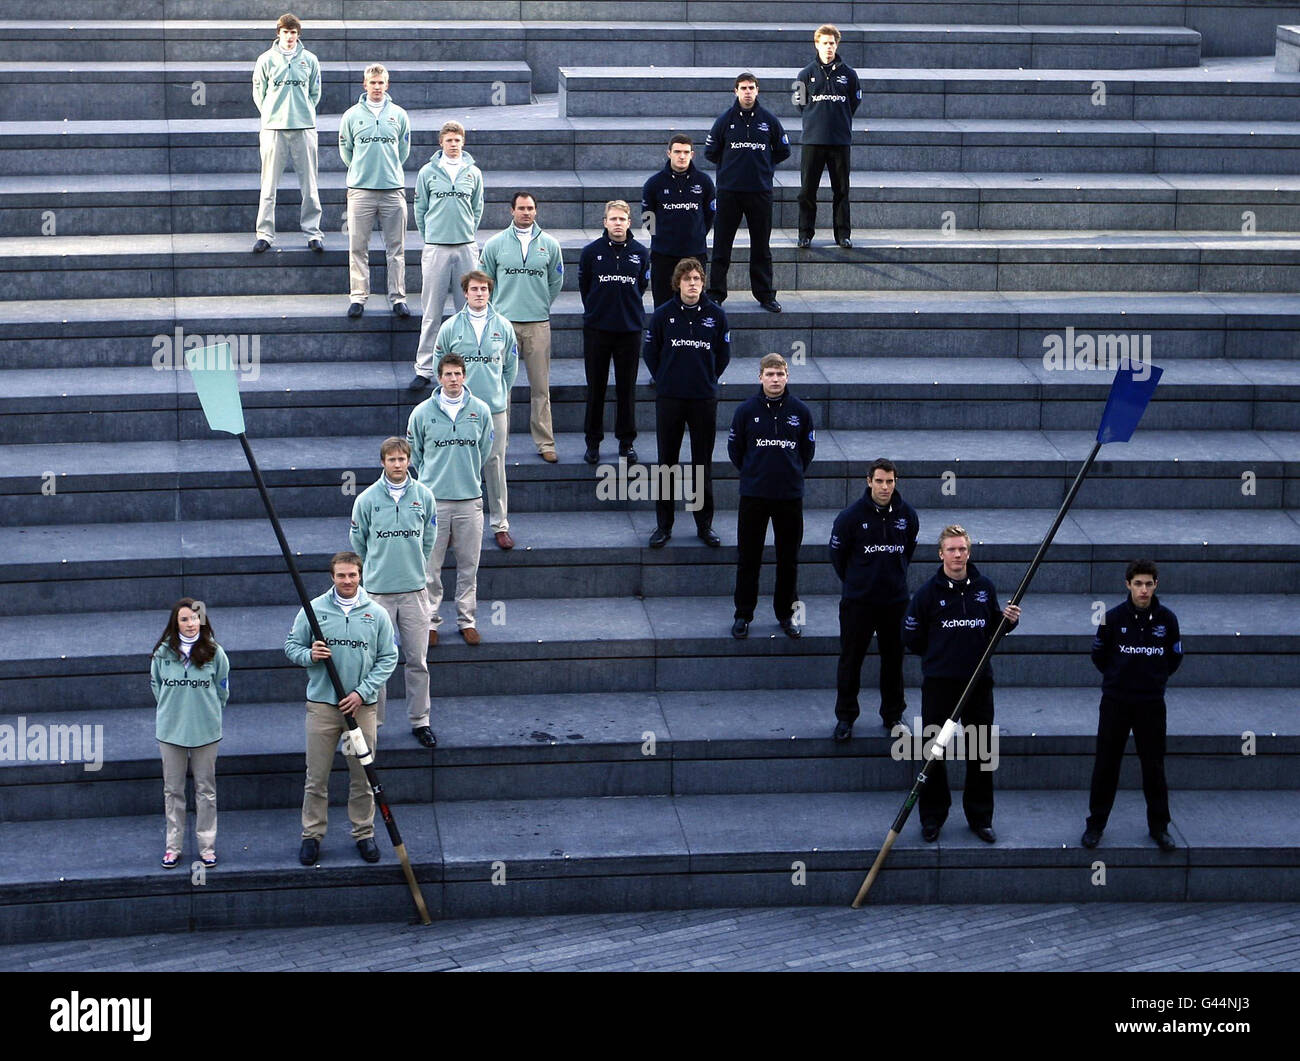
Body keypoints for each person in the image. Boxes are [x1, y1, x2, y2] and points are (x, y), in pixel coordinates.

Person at [902, 525, 1020, 844]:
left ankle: (980, 817)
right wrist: (941, 656)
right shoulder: (927, 594)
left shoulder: (985, 588)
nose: (958, 555)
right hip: (940, 684)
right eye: (952, 549)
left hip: (979, 682)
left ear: (969, 552)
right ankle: (932, 817)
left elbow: (991, 630)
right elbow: (911, 637)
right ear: (941, 554)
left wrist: (1007, 622)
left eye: (963, 549)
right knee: (933, 751)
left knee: (981, 750)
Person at [285, 552, 397, 865]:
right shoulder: (314, 610)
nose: (347, 581)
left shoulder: (376, 614)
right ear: (332, 577)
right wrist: (310, 654)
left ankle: (363, 833)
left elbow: (388, 657)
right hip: (322, 707)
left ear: (361, 576)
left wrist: (362, 693)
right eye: (341, 576)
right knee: (316, 777)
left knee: (362, 776)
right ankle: (312, 835)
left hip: (360, 710)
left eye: (352, 575)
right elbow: (291, 646)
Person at [1082, 560, 1184, 852]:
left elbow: (1174, 658)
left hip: (1151, 704)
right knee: (1106, 765)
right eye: (1138, 583)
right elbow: (1099, 657)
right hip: (1116, 702)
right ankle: (1096, 825)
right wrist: (1119, 680)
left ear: (1156, 585)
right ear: (1128, 584)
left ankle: (1159, 827)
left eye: (1149, 584)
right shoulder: (1111, 619)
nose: (1143, 590)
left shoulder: (1168, 620)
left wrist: (1153, 680)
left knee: (1153, 766)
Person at [349, 437, 438, 748]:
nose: (398, 464)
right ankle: (375, 722)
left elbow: (430, 538)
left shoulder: (425, 496)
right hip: (378, 594)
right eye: (392, 460)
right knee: (377, 663)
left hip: (414, 591)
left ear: (409, 460)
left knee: (418, 660)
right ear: (382, 463)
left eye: (402, 459)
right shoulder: (366, 500)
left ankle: (420, 721)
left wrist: (414, 567)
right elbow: (358, 544)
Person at [407, 353, 495, 645]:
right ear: (439, 377)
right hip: (434, 502)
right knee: (430, 567)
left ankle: (466, 620)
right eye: (448, 374)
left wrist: (465, 475)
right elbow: (415, 453)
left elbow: (484, 450)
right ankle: (430, 622)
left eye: (458, 374)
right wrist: (433, 481)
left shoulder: (480, 411)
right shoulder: (421, 412)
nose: (453, 379)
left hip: (470, 499)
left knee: (469, 566)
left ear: (465, 376)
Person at [829, 458, 919, 740]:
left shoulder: (908, 516)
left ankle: (893, 716)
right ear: (869, 481)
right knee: (851, 660)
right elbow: (837, 557)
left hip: (895, 602)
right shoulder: (849, 517)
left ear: (896, 482)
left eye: (889, 481)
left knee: (893, 660)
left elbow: (908, 551)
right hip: (859, 602)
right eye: (879, 481)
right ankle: (845, 717)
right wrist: (858, 583)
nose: (884, 487)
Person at [642, 257, 729, 548]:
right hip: (670, 398)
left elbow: (723, 356)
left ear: (703, 283)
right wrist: (666, 380)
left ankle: (704, 525)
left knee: (701, 464)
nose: (693, 284)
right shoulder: (663, 314)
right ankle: (664, 526)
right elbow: (651, 354)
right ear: (677, 282)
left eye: (697, 279)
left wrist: (705, 379)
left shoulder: (716, 315)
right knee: (667, 461)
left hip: (703, 399)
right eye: (687, 279)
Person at [727, 353, 815, 639]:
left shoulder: (800, 412)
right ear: (760, 377)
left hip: (789, 496)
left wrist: (789, 473)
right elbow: (736, 451)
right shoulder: (745, 411)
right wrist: (755, 474)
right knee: (748, 557)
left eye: (780, 374)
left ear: (787, 376)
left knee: (788, 559)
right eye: (770, 374)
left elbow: (806, 452)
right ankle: (743, 614)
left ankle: (786, 615)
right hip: (754, 495)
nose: (775, 379)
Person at [431, 271, 518, 549]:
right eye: (474, 289)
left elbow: (510, 368)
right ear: (465, 293)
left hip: (494, 409)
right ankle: (455, 527)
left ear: (489, 293)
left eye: (484, 289)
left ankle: (500, 524)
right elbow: (438, 362)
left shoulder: (503, 326)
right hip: (460, 409)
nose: (480, 293)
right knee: (460, 464)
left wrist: (498, 395)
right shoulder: (451, 327)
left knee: (495, 465)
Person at [479, 192, 564, 462]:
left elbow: (555, 282)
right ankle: (497, 443)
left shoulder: (550, 245)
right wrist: (499, 311)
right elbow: (485, 281)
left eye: (530, 208)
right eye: (521, 208)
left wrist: (539, 304)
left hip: (538, 323)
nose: (526, 213)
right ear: (511, 211)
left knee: (540, 387)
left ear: (536, 211)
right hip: (504, 325)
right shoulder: (495, 244)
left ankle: (545, 443)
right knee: (501, 386)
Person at [151, 598, 229, 869]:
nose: (190, 623)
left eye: (194, 618)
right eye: (184, 619)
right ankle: (173, 847)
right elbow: (156, 685)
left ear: (202, 621)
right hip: (170, 732)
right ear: (176, 623)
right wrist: (173, 710)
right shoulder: (162, 654)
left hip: (205, 732)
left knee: (205, 791)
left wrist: (206, 712)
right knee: (173, 791)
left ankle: (207, 847)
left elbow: (222, 688)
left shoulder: (215, 652)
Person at [704, 72, 790, 313]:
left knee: (761, 247)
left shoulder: (769, 120)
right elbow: (710, 152)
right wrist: (732, 166)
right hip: (729, 192)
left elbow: (784, 150)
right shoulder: (725, 120)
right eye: (743, 88)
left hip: (760, 192)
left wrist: (763, 165)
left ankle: (765, 295)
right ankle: (717, 293)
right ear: (736, 91)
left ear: (757, 90)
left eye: (751, 87)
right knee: (722, 246)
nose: (748, 92)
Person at [410, 120, 485, 392]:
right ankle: (424, 367)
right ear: (441, 142)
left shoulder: (473, 172)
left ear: (463, 142)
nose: (453, 145)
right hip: (437, 247)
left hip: (465, 246)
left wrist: (465, 232)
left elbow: (477, 207)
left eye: (457, 140)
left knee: (466, 312)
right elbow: (420, 209)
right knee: (432, 311)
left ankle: (464, 369)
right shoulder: (428, 172)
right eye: (449, 140)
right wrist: (433, 235)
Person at [579, 199, 650, 465]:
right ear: (605, 222)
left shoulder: (641, 253)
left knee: (626, 389)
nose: (617, 223)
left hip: (629, 330)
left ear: (629, 222)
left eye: (622, 219)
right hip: (597, 330)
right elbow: (586, 287)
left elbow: (641, 285)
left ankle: (626, 442)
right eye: (613, 219)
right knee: (595, 388)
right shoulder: (590, 252)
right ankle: (593, 442)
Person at [339, 63, 411, 319]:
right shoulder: (351, 116)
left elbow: (403, 151)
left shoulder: (400, 115)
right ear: (365, 85)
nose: (377, 87)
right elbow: (346, 151)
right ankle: (358, 296)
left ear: (387, 85)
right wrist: (362, 171)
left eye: (381, 83)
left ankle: (398, 297)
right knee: (358, 246)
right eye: (373, 83)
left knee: (396, 248)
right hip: (361, 190)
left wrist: (387, 171)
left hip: (392, 189)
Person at [251, 12, 324, 254]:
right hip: (274, 129)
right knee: (268, 186)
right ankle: (264, 234)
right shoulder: (266, 60)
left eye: (293, 33)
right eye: (286, 32)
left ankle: (313, 233)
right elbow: (258, 92)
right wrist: (272, 114)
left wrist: (302, 112)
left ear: (298, 35)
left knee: (310, 186)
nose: (290, 37)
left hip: (303, 127)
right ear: (278, 33)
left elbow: (315, 92)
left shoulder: (310, 59)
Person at [795, 23, 861, 249]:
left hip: (840, 141)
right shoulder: (804, 74)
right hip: (812, 141)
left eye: (832, 43)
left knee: (841, 190)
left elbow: (854, 102)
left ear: (837, 44)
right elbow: (800, 104)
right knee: (807, 191)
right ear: (817, 45)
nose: (829, 47)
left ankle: (842, 234)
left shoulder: (849, 74)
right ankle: (805, 233)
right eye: (824, 43)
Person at [641, 134, 716, 308]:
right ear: (669, 153)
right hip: (664, 255)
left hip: (694, 253)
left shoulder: (704, 182)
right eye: (677, 152)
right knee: (662, 304)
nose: (681, 156)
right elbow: (647, 216)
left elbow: (710, 213)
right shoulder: (654, 183)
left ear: (692, 154)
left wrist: (697, 234)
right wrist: (661, 238)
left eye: (685, 152)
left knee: (694, 303)